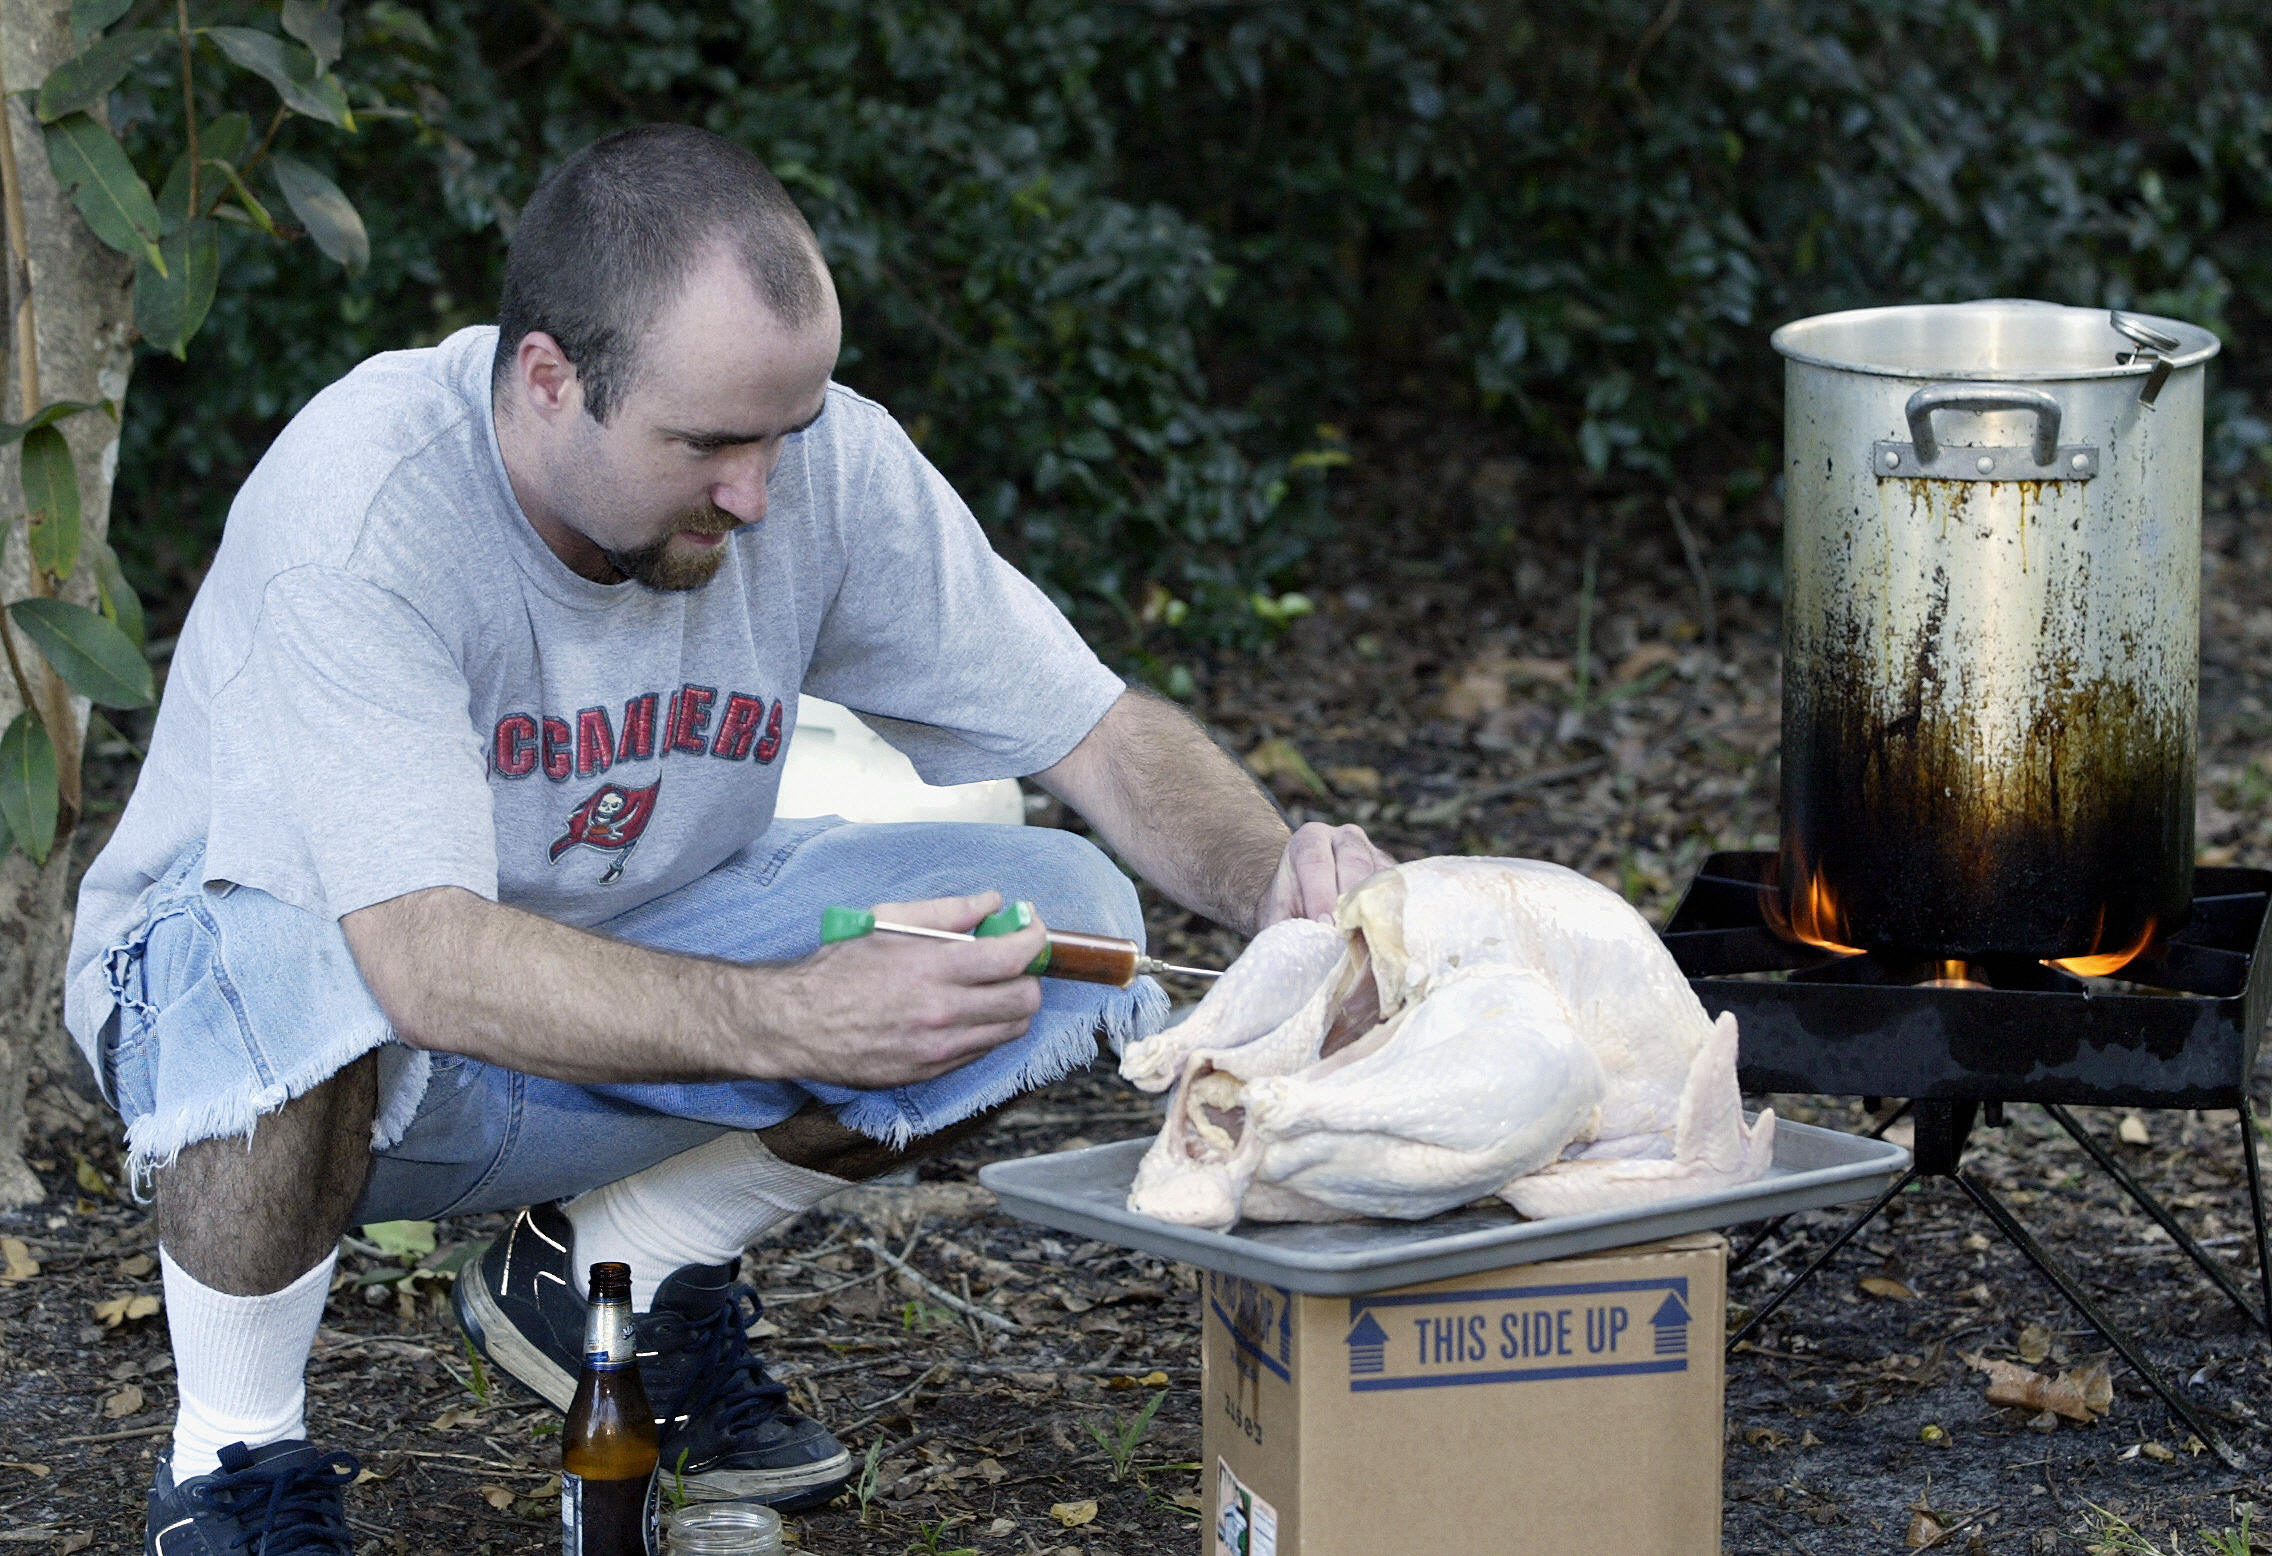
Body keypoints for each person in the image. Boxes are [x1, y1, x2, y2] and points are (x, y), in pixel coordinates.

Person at [69, 124, 1392, 1553]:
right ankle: (232, 1461)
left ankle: (614, 1273)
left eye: (785, 435)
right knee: (279, 940)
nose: (757, 494)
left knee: (1060, 925)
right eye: (707, 444)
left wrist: (1288, 884)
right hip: (299, 1029)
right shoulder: (366, 506)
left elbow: (1093, 730)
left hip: (630, 965)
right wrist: (785, 1019)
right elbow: (426, 963)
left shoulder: (816, 469)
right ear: (549, 381)